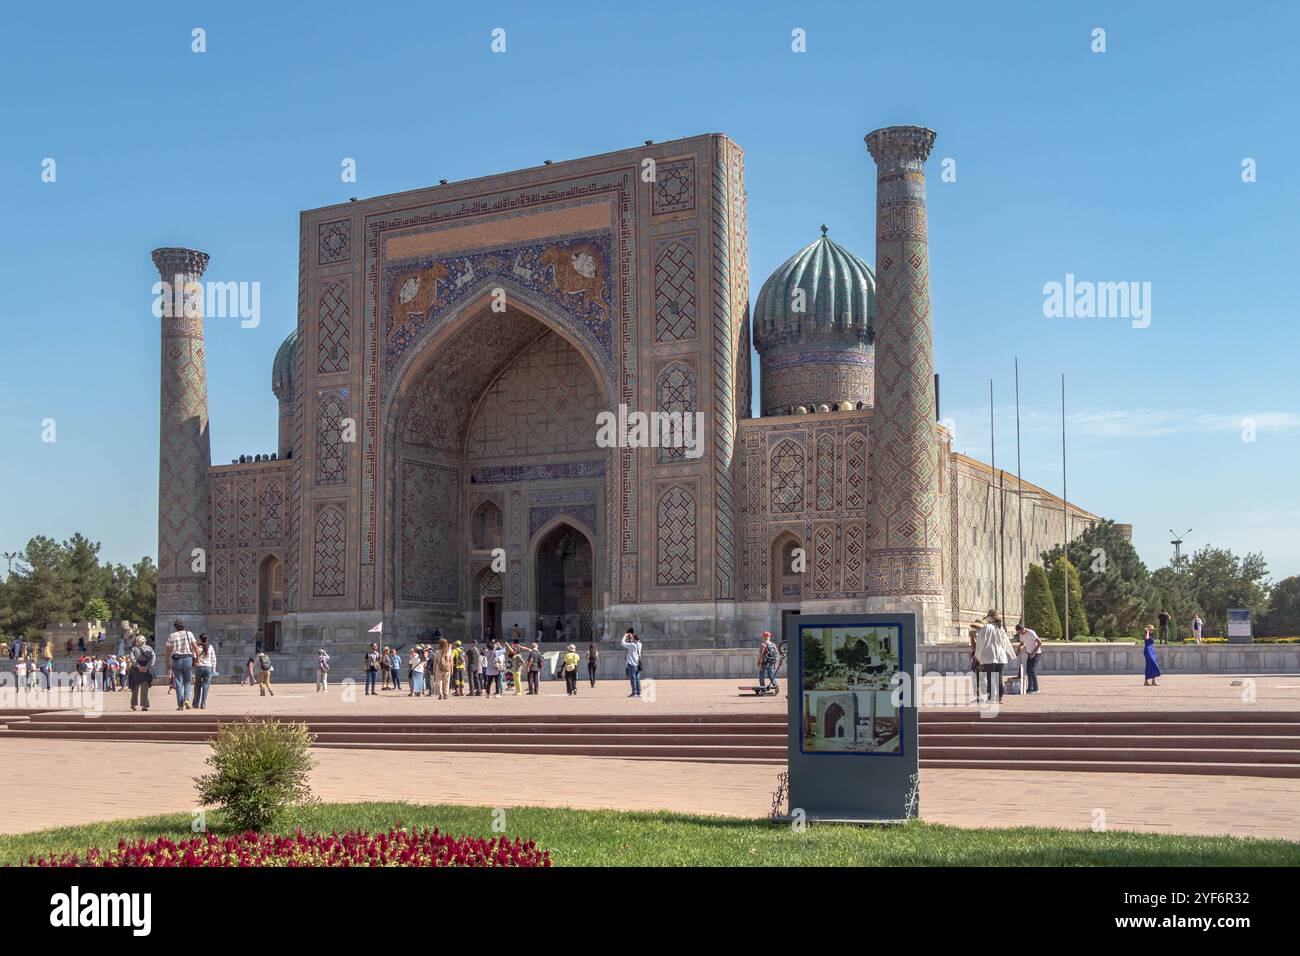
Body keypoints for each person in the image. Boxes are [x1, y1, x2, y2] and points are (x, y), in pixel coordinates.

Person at [973, 609, 1015, 703]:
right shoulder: (1000, 629)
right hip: (1000, 657)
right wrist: (1011, 654)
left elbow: (980, 643)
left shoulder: (986, 628)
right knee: (998, 677)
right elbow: (1007, 643)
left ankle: (992, 698)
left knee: (990, 677)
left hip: (989, 656)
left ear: (990, 618)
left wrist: (977, 656)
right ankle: (999, 697)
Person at [165, 619, 200, 711]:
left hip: (177, 660)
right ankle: (187, 699)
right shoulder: (189, 634)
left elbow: (167, 650)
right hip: (188, 659)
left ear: (175, 627)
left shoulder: (172, 636)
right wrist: (197, 659)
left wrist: (167, 662)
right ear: (184, 626)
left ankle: (180, 705)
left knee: (178, 681)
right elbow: (195, 647)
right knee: (187, 681)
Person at [127, 635, 155, 711]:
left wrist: (139, 666)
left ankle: (133, 704)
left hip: (136, 669)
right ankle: (144, 705)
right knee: (145, 687)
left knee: (135, 687)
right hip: (146, 669)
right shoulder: (150, 648)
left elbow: (132, 659)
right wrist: (147, 667)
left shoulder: (134, 649)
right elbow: (153, 658)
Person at [1014, 623, 1043, 694]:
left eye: (1021, 632)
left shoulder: (1031, 633)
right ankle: (1030, 688)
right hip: (1029, 653)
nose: (1021, 634)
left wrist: (1033, 653)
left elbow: (1040, 642)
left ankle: (1036, 688)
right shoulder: (1021, 634)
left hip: (1036, 653)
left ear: (1023, 629)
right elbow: (1022, 643)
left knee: (1032, 670)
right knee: (1028, 670)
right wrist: (1018, 650)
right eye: (1019, 633)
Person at [193, 634, 216, 709]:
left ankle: (196, 703)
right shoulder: (210, 647)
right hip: (208, 668)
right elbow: (213, 658)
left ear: (200, 639)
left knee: (197, 686)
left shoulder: (197, 647)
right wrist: (214, 669)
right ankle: (203, 704)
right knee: (206, 687)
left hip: (199, 668)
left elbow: (194, 657)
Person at [621, 628, 642, 698]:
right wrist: (631, 638)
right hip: (638, 663)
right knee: (637, 679)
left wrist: (625, 635)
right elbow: (633, 642)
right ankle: (639, 692)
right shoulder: (639, 644)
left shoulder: (632, 645)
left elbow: (622, 643)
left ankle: (634, 692)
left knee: (633, 679)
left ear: (634, 639)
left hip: (632, 663)